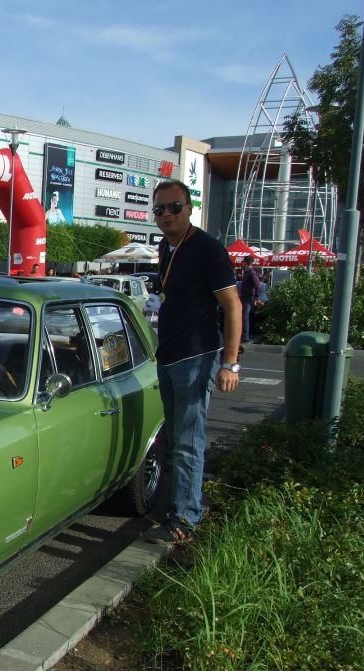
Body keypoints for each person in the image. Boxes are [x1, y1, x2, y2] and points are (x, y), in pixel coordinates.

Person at [144, 180, 241, 546]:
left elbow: (233, 306)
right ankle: (179, 506)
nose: (166, 215)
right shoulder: (166, 248)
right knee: (177, 438)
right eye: (159, 210)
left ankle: (185, 517)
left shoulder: (207, 250)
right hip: (169, 355)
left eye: (174, 207)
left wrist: (229, 363)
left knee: (188, 441)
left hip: (196, 356)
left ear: (189, 208)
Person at [238, 255, 263, 343]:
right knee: (245, 315)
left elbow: (257, 285)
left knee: (245, 316)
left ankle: (245, 336)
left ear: (245, 262)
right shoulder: (247, 272)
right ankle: (245, 335)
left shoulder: (251, 272)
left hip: (247, 297)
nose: (242, 263)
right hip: (245, 296)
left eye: (243, 262)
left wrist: (256, 297)